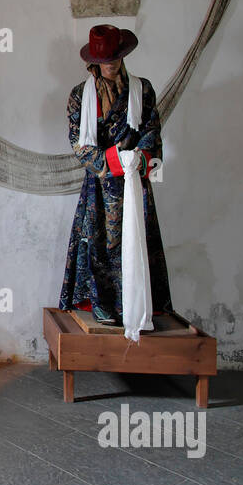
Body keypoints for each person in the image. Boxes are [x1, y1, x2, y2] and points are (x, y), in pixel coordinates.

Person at [58, 24, 172, 325]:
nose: (111, 64)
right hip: (99, 186)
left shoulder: (142, 89)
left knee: (137, 241)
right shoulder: (78, 96)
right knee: (99, 245)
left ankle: (136, 305)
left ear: (123, 56)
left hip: (135, 181)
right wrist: (113, 160)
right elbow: (79, 145)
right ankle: (104, 305)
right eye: (105, 59)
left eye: (116, 57)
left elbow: (151, 131)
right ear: (94, 61)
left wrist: (136, 158)